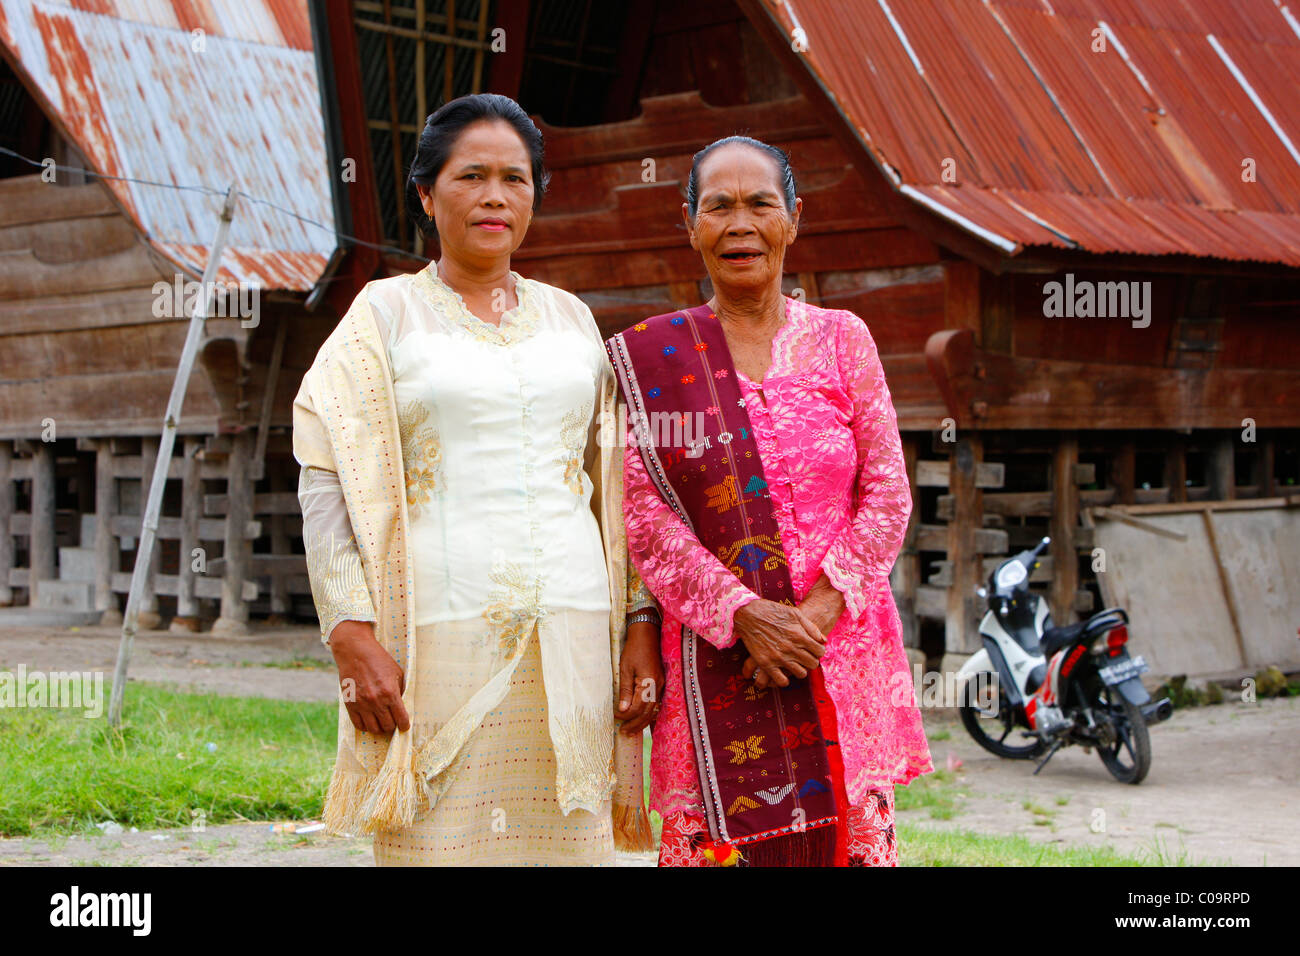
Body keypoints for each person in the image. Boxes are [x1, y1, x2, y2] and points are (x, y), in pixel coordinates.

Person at [293, 93, 661, 866]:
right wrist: (349, 630)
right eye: (472, 177)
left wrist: (639, 622)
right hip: (437, 631)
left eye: (515, 179)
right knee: (438, 844)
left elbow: (617, 482)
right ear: (426, 195)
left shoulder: (570, 320)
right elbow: (324, 465)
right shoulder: (385, 314)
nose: (496, 196)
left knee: (566, 845)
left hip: (573, 628)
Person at [607, 136, 932, 867]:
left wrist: (811, 619)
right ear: (690, 224)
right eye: (718, 206)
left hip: (837, 646)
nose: (740, 223)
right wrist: (748, 618)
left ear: (794, 220)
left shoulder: (843, 340)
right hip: (719, 652)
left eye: (761, 204)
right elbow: (648, 520)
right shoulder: (659, 360)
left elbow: (886, 493)